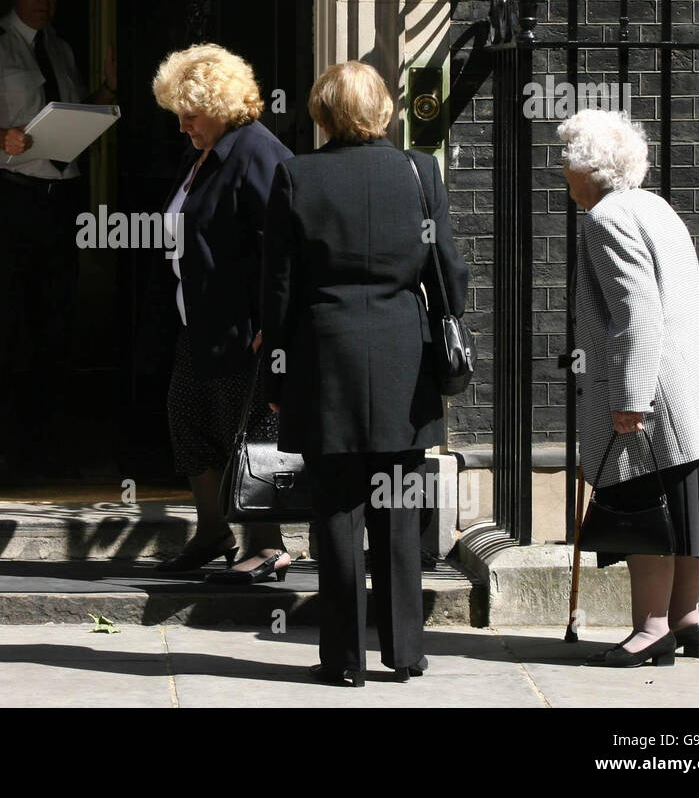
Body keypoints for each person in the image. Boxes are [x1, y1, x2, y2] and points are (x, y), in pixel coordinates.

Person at [262, 61, 468, 685]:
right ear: (383, 107)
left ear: (321, 112)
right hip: (404, 353)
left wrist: (275, 371)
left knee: (336, 512)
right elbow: (446, 267)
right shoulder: (418, 170)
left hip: (325, 356)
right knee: (401, 510)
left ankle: (343, 659)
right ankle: (405, 651)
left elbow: (279, 287)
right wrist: (450, 321)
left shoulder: (296, 175)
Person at [559, 109, 699, 669]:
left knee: (646, 510)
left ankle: (650, 631)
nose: (562, 174)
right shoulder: (655, 206)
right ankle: (686, 619)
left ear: (586, 168)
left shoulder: (606, 220)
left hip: (658, 396)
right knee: (687, 511)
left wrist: (630, 398)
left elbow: (636, 315)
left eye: (565, 161)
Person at [0, 0, 116, 481]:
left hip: (56, 200)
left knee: (55, 321)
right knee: (1, 322)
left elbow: (65, 116)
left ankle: (44, 441)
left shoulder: (61, 48)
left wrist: (105, 94)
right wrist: (3, 137)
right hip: (7, 198)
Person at [149, 43, 294, 581]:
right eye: (178, 115)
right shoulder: (201, 153)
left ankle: (269, 541)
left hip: (243, 327)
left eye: (190, 113)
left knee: (247, 431)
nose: (183, 125)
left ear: (220, 103)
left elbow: (283, 246)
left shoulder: (260, 153)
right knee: (187, 418)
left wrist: (268, 324)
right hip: (201, 319)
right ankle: (212, 530)